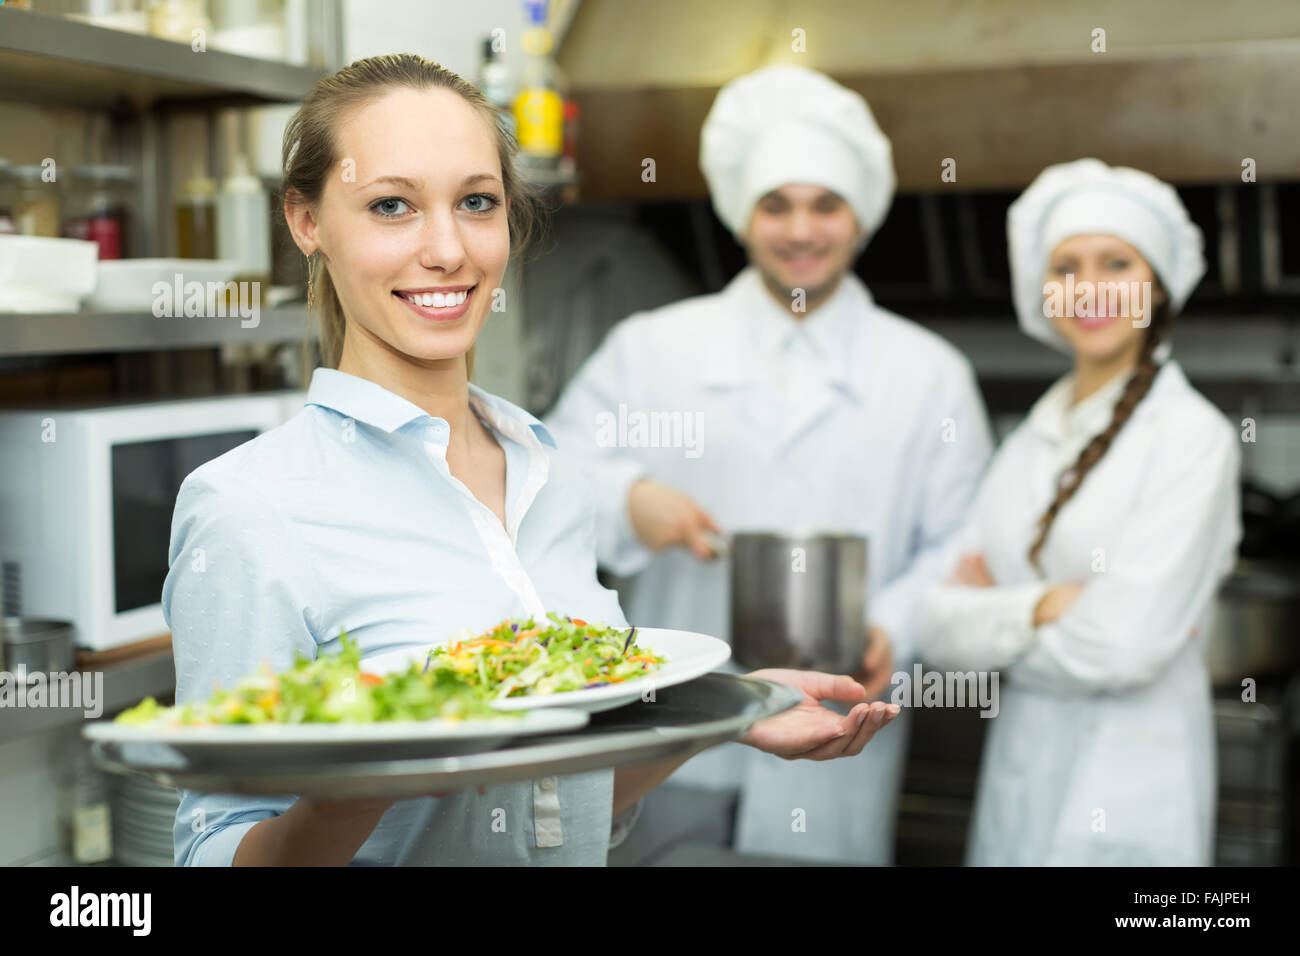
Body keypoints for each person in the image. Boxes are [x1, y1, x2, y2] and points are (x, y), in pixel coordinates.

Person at [165, 54, 901, 867]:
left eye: (476, 202)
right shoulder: (248, 506)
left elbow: (557, 807)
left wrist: (724, 718)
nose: (447, 249)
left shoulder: (549, 476)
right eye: (391, 206)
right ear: (306, 222)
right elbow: (215, 852)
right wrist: (362, 785)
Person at [544, 65, 992, 864]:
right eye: (776, 205)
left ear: (860, 217)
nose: (801, 229)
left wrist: (895, 622)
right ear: (741, 217)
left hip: (836, 726)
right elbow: (547, 477)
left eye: (826, 205)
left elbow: (963, 546)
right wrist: (629, 499)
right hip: (679, 728)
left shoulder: (928, 375)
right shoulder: (653, 348)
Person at [913, 158, 1241, 865]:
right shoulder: (1031, 438)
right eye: (1066, 267)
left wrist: (998, 610)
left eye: (1116, 263)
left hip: (1130, 779)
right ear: (1044, 293)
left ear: (1155, 288)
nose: (1089, 288)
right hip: (1020, 768)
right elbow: (936, 624)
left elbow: (1120, 647)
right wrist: (1047, 606)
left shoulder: (1192, 438)